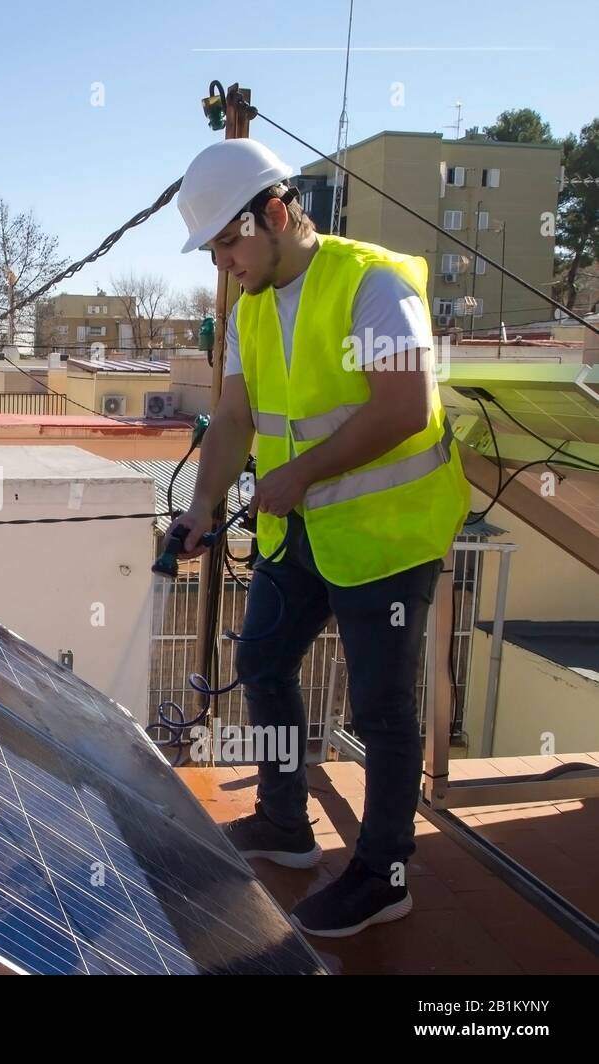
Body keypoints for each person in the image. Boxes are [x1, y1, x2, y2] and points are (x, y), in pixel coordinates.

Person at [170, 139, 470, 938]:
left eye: (229, 243)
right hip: (300, 531)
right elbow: (234, 418)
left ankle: (383, 873)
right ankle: (285, 822)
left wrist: (299, 478)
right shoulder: (252, 308)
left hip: (387, 533)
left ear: (274, 212)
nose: (224, 263)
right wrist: (202, 506)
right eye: (214, 251)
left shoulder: (370, 285)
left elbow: (406, 405)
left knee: (380, 707)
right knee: (262, 660)